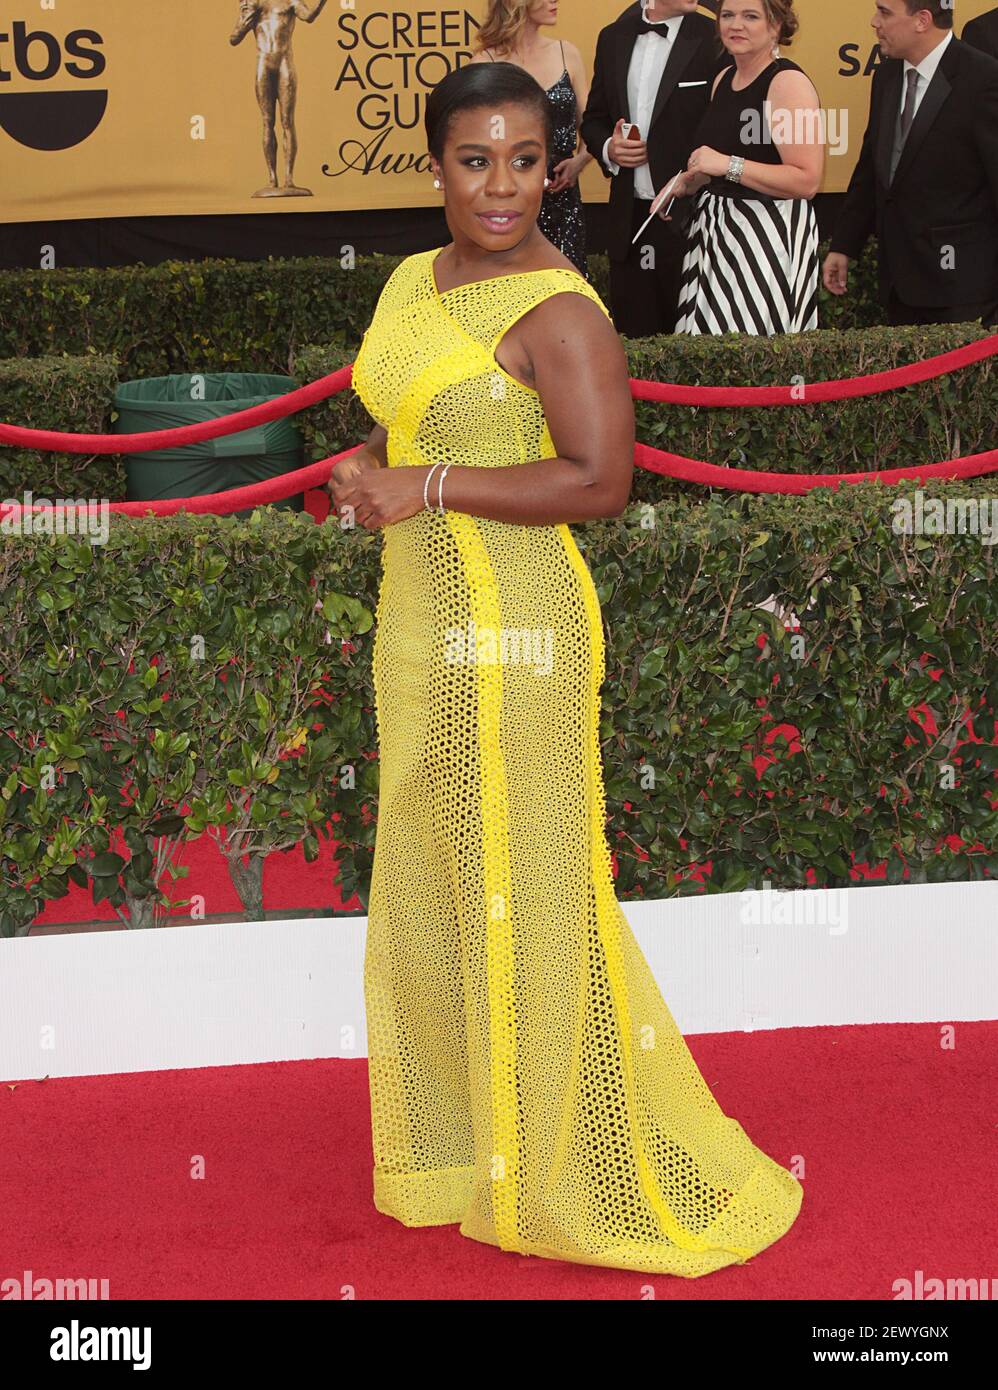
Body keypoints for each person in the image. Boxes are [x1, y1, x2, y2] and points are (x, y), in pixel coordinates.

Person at [327, 60, 804, 1275]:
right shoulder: (406, 279)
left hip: (517, 628)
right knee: (437, 879)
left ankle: (569, 1156)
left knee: (529, 886)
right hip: (418, 623)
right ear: (434, 164)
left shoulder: (562, 310)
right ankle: (462, 1145)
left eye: (525, 161)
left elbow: (597, 480)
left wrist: (418, 485)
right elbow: (407, 414)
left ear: (557, 166)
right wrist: (366, 470)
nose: (499, 187)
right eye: (473, 160)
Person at [824, 0, 998, 328]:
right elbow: (871, 166)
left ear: (922, 20)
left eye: (885, 12)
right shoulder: (887, 74)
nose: (874, 22)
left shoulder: (983, 78)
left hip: (964, 289)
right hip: (900, 284)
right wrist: (845, 245)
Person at [667, 0, 823, 336]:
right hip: (717, 239)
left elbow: (806, 179)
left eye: (750, 16)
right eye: (728, 15)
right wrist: (689, 181)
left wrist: (727, 164)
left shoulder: (788, 84)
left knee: (752, 358)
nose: (735, 25)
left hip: (766, 243)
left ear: (776, 26)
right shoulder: (723, 78)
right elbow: (724, 165)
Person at [580, 0, 726, 337]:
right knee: (635, 340)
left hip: (691, 218)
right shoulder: (612, 37)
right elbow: (594, 120)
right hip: (629, 221)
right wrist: (609, 149)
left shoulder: (715, 37)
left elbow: (725, 124)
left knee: (693, 347)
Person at [469, 0, 594, 278]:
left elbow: (591, 125)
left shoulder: (567, 54)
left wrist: (579, 162)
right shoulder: (484, 63)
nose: (555, 1)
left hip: (562, 201)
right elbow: (475, 137)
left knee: (566, 288)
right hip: (509, 200)